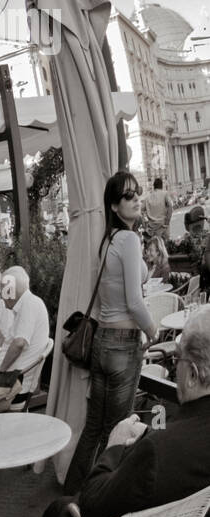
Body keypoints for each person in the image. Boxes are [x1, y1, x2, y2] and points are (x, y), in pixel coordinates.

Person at [41, 309, 210, 517]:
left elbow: (90, 504)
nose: (175, 368)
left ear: (193, 375)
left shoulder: (156, 452)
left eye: (178, 360)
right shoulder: (175, 441)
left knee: (57, 510)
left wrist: (115, 446)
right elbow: (182, 450)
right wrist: (148, 435)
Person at [64, 172, 160, 493]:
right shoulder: (128, 240)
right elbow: (134, 300)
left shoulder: (108, 241)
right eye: (129, 197)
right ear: (115, 206)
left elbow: (127, 283)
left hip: (103, 342)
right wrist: (152, 330)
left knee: (95, 427)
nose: (136, 200)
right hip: (123, 344)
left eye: (137, 194)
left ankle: (74, 489)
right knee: (117, 430)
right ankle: (103, 495)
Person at [0, 266, 51, 389]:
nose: (0, 295)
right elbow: (5, 346)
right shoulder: (23, 307)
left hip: (11, 384)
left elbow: (19, 344)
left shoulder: (29, 304)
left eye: (2, 289)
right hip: (10, 379)